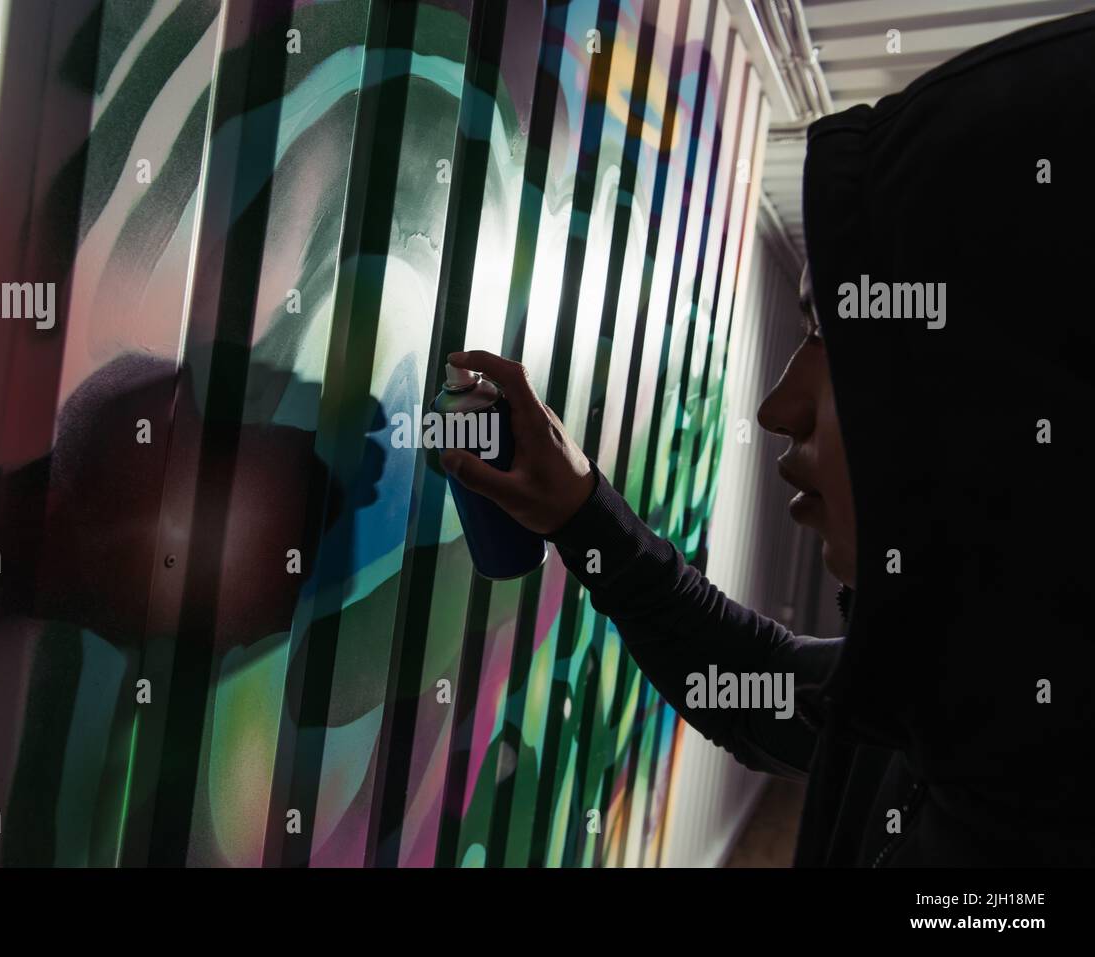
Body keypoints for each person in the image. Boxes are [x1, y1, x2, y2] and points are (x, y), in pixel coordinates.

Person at [440, 10, 1095, 866]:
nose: (778, 406)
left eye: (835, 337)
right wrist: (580, 515)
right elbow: (761, 683)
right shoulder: (947, 694)